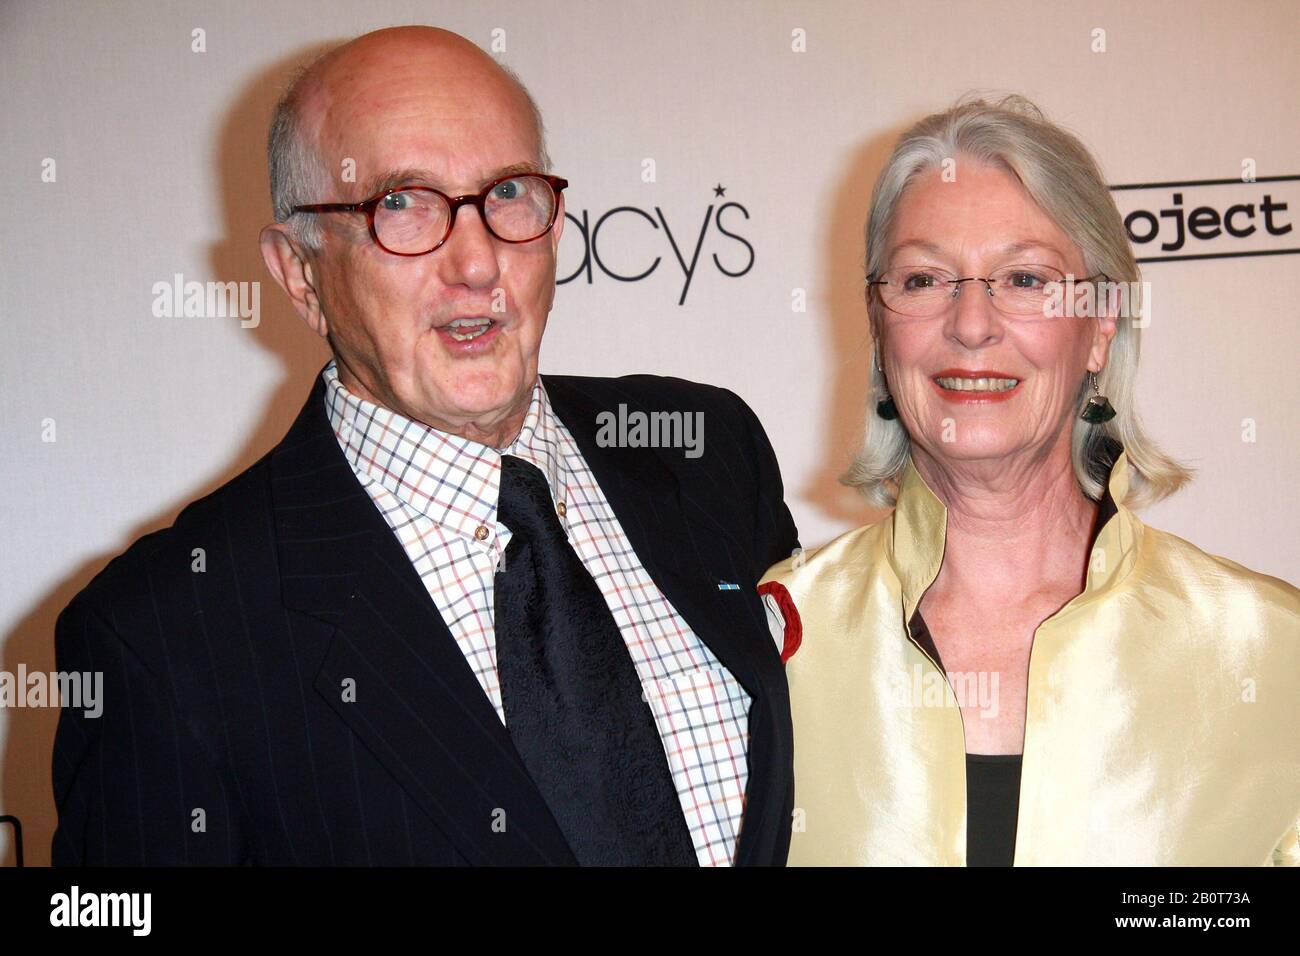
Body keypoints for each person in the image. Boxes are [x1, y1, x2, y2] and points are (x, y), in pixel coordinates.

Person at [51, 26, 798, 866]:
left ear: (554, 229)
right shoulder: (165, 635)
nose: (476, 262)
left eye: (508, 191)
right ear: (300, 272)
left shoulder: (706, 454)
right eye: (400, 204)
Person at [760, 95, 1299, 866]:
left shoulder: (1273, 653)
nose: (972, 325)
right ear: (880, 328)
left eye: (1024, 278)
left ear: (1101, 323)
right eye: (923, 279)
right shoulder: (766, 648)